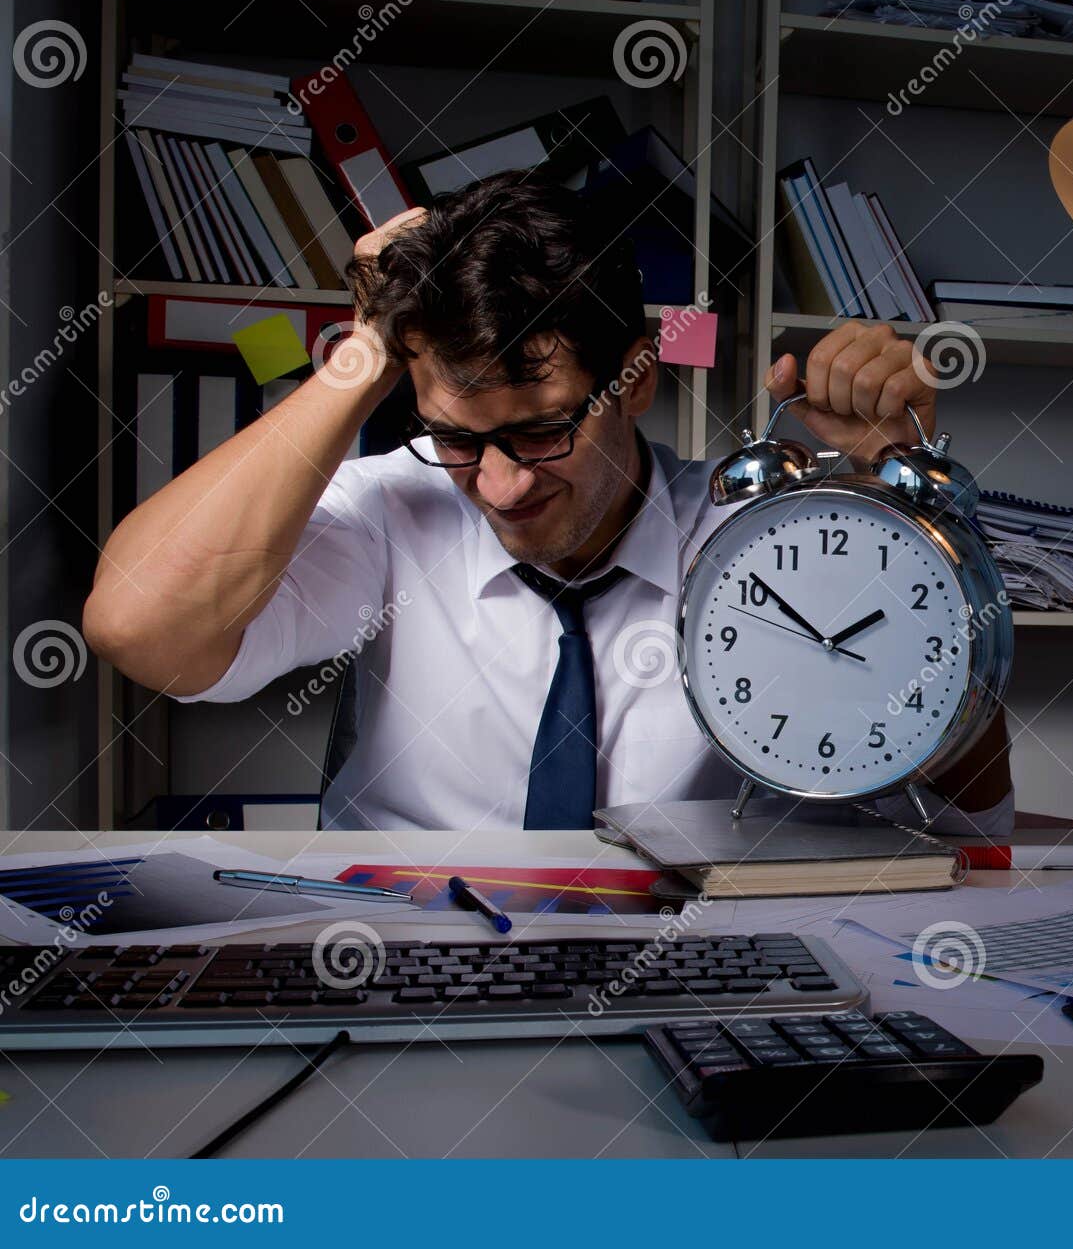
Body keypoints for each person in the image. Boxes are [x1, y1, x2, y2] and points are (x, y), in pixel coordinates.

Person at [83, 173, 1012, 833]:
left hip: (676, 972)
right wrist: (368, 349)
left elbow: (970, 816)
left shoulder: (768, 542)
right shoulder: (391, 509)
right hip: (406, 963)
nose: (501, 484)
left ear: (637, 379)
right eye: (456, 437)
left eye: (542, 432)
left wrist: (906, 511)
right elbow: (138, 625)